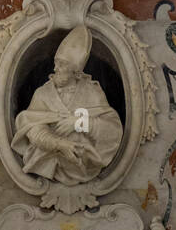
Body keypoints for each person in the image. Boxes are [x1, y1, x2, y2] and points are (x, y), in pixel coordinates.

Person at [11, 26, 123, 185]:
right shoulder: (42, 93)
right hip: (48, 161)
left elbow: (111, 131)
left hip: (85, 164)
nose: (55, 68)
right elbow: (31, 127)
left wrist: (79, 123)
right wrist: (60, 144)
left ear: (76, 72)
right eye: (56, 63)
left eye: (62, 65)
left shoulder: (92, 92)